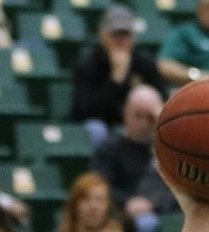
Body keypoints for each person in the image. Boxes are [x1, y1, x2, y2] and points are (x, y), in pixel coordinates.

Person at [70, 4, 167, 147]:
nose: (121, 41)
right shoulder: (87, 65)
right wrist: (116, 79)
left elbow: (162, 98)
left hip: (140, 124)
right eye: (115, 35)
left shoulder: (144, 63)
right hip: (104, 125)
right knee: (95, 129)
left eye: (125, 35)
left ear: (133, 37)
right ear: (102, 35)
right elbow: (84, 112)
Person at [92, 85, 172, 232]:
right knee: (145, 224)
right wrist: (128, 202)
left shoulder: (168, 150)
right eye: (137, 115)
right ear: (125, 113)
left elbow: (179, 189)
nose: (143, 123)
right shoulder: (109, 148)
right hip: (121, 212)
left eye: (149, 117)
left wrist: (152, 204)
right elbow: (100, 186)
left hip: (161, 211)